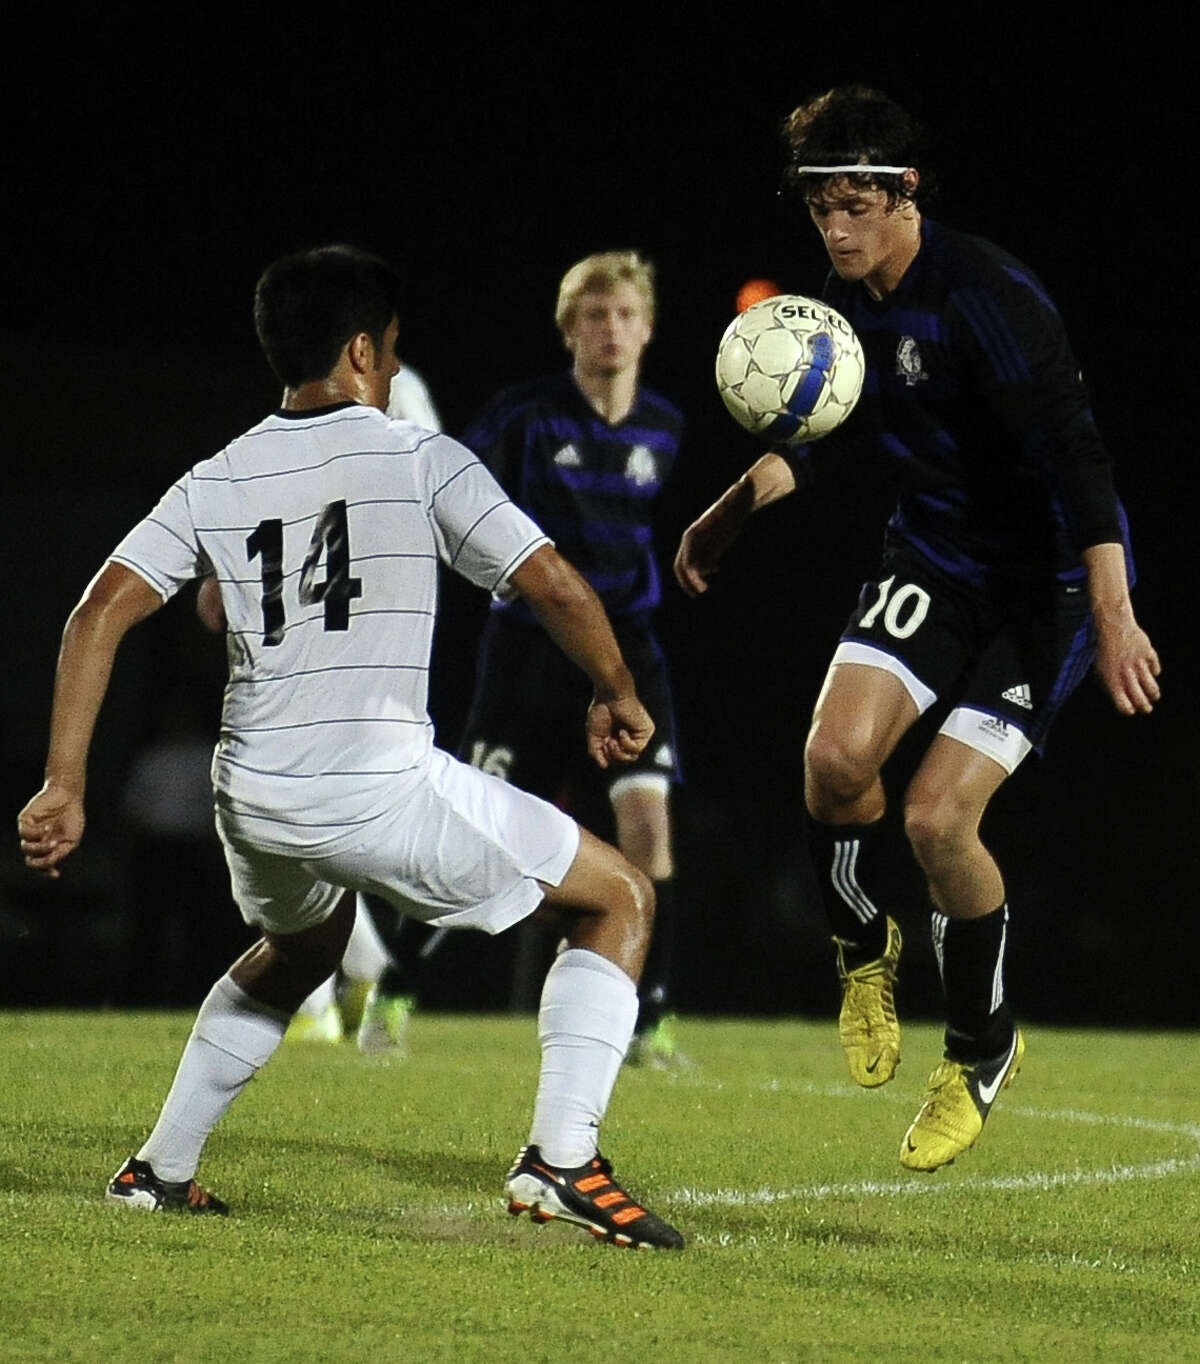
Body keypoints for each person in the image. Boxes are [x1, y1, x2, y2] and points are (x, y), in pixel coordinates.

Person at [18, 244, 684, 1250]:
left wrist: (65, 780)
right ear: (367, 350)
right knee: (622, 895)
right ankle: (561, 1158)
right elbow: (551, 581)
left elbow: (95, 614)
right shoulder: (419, 456)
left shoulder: (217, 474)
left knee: (302, 946)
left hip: (251, 797)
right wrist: (617, 688)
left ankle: (160, 1166)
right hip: (376, 788)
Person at [675, 86, 1160, 1171]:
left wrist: (1119, 617)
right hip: (935, 562)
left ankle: (981, 1048)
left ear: (906, 194)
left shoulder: (988, 298)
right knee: (834, 759)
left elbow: (1080, 462)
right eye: (819, 210)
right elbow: (828, 434)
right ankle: (862, 943)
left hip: (1050, 591)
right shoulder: (845, 308)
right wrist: (728, 509)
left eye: (855, 206)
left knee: (940, 819)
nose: (836, 230)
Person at [371, 250, 687, 1067]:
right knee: (469, 833)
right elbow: (451, 489)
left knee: (648, 836)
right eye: (593, 315)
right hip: (528, 651)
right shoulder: (525, 415)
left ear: (647, 329)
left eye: (623, 314)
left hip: (629, 652)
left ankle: (645, 1023)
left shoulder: (667, 426)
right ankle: (395, 990)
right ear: (568, 331)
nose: (609, 329)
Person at [195, 358, 445, 1051]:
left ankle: (329, 982)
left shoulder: (401, 404)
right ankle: (355, 971)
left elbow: (417, 496)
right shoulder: (293, 419)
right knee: (291, 816)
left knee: (310, 813)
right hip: (295, 655)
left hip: (356, 658)